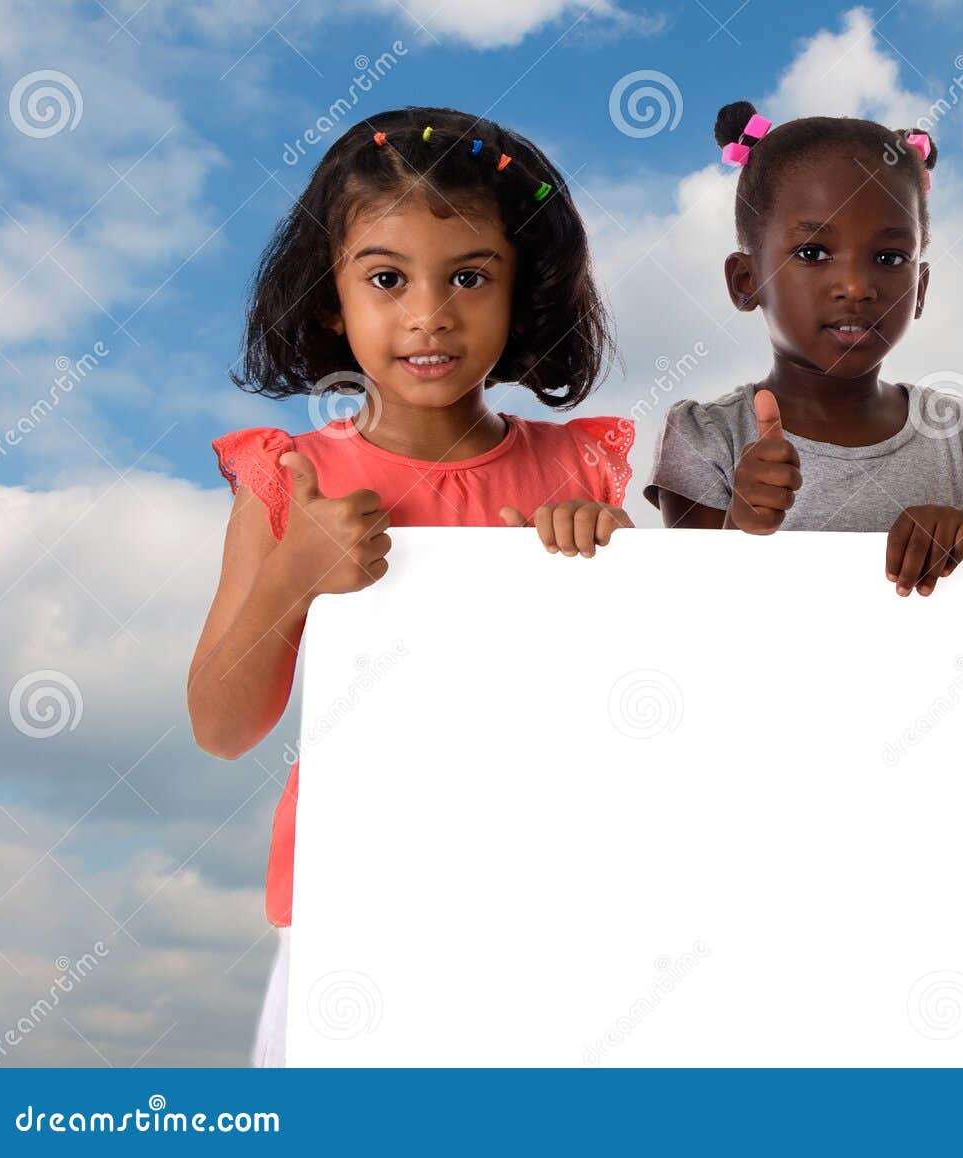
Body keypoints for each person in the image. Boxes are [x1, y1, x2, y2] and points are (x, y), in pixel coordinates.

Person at [187, 106, 633, 1066]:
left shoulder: (581, 473)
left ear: (524, 294)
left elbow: (641, 696)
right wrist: (294, 576)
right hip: (350, 903)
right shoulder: (292, 479)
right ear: (329, 298)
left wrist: (617, 565)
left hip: (548, 903)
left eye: (469, 277)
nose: (429, 313)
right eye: (387, 279)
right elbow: (221, 726)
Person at [647, 101, 963, 596]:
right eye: (813, 253)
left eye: (890, 257)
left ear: (920, 289)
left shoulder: (958, 430)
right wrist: (741, 522)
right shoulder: (705, 436)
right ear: (746, 280)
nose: (856, 286)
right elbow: (688, 607)